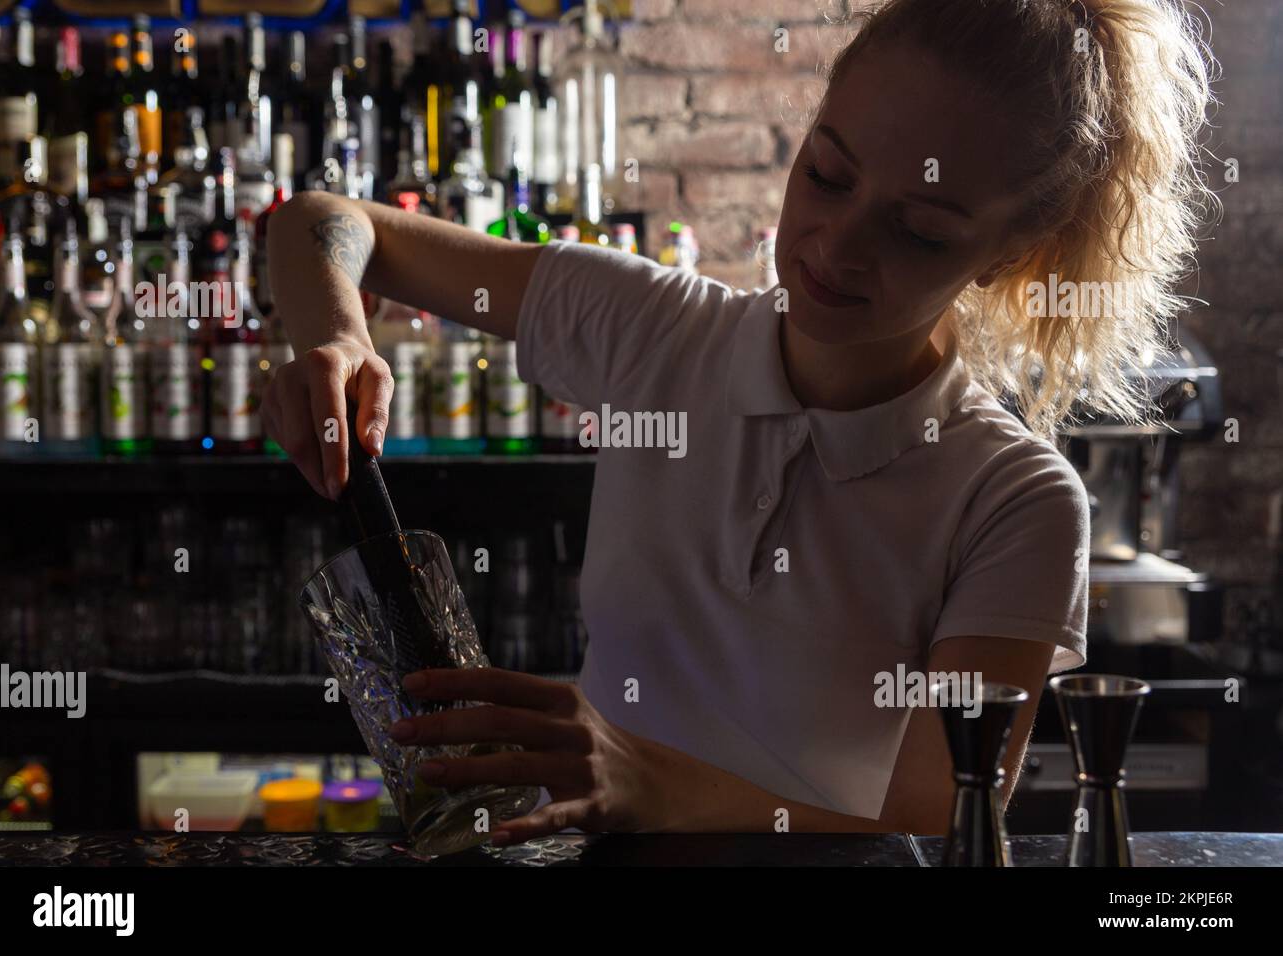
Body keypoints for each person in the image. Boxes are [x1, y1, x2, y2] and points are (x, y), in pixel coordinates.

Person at [263, 0, 1217, 844]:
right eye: (829, 174)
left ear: (1012, 257)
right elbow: (324, 223)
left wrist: (656, 788)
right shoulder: (654, 330)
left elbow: (939, 817)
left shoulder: (1014, 499)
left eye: (920, 228)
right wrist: (339, 338)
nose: (836, 247)